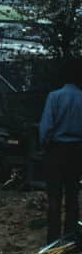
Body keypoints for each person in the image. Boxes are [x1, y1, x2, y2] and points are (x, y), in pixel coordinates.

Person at [38, 62, 82, 242]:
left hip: (57, 149)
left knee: (55, 195)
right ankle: (71, 235)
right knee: (72, 194)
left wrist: (45, 146)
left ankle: (53, 238)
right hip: (77, 149)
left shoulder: (54, 96)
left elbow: (46, 127)